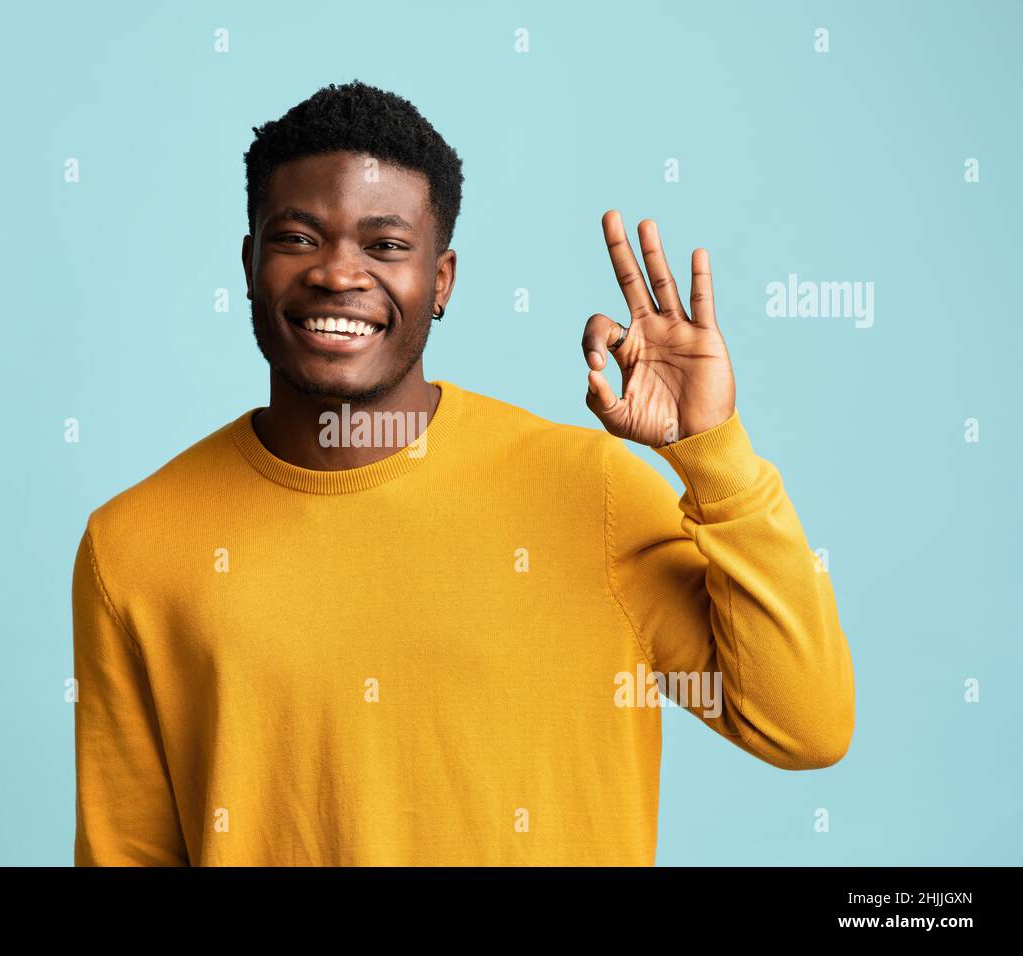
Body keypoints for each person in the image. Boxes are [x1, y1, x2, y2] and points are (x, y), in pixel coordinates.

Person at [72, 79, 854, 866]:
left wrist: (714, 453)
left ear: (440, 281)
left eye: (385, 245)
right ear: (249, 263)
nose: (339, 274)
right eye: (299, 238)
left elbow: (803, 725)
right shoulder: (134, 545)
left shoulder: (593, 494)